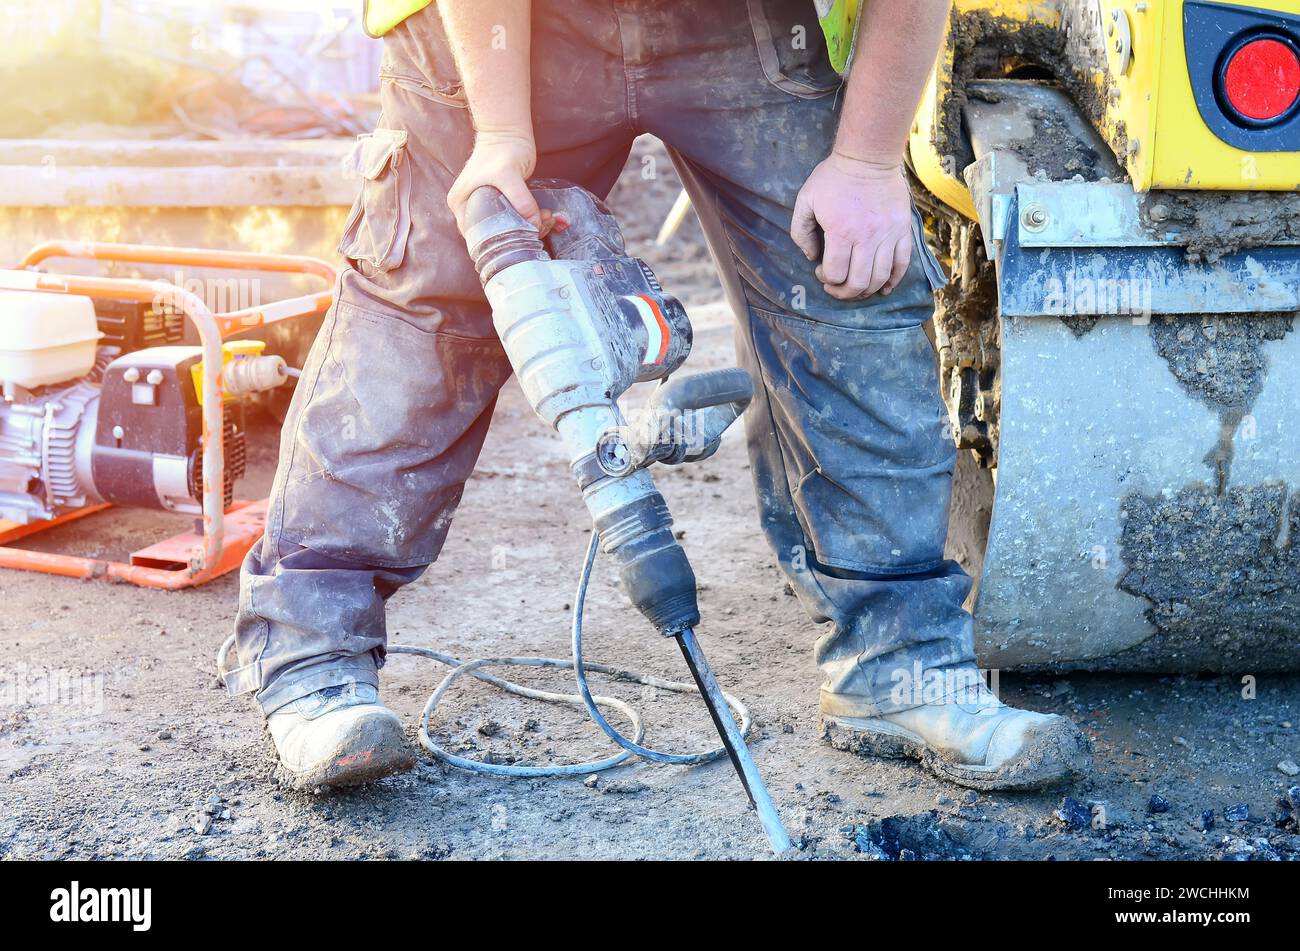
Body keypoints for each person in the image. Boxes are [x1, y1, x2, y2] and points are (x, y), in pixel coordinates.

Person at [225, 0, 1091, 792]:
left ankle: (899, 662)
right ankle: (315, 658)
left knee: (849, 268)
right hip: (503, 27)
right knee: (436, 286)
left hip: (751, 22)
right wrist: (499, 136)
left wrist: (864, 162)